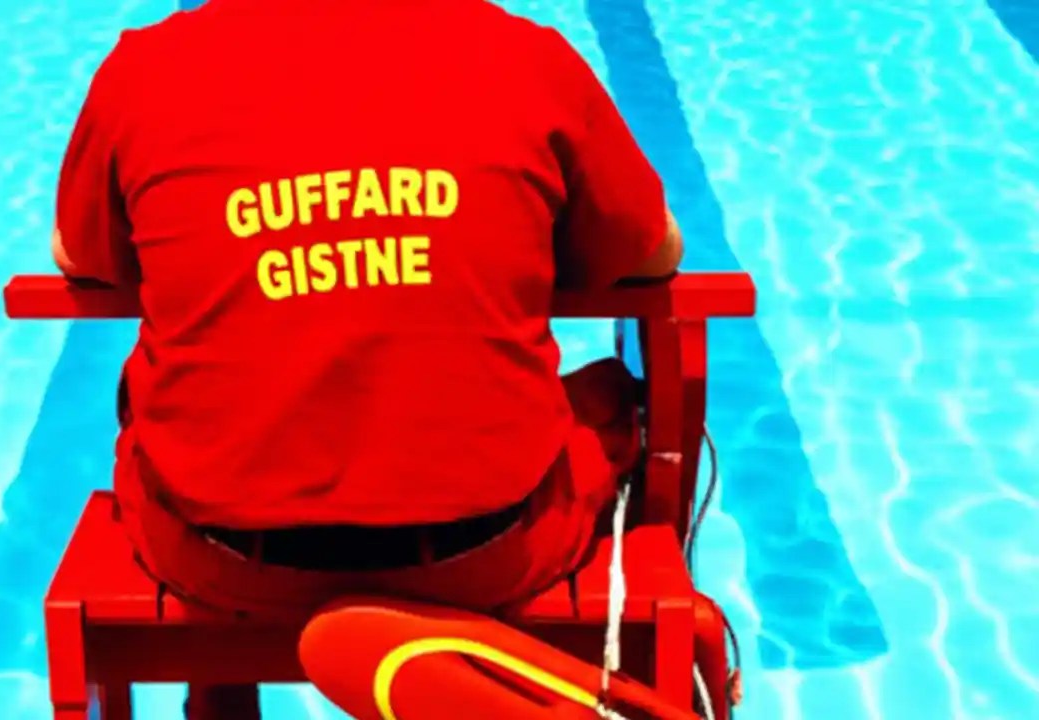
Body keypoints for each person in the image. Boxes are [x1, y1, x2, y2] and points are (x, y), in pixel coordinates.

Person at [51, 0, 682, 624]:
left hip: (218, 558)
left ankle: (219, 698)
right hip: (488, 555)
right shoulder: (530, 59)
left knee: (167, 413)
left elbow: (80, 259)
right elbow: (655, 255)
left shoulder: (145, 69)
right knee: (613, 405)